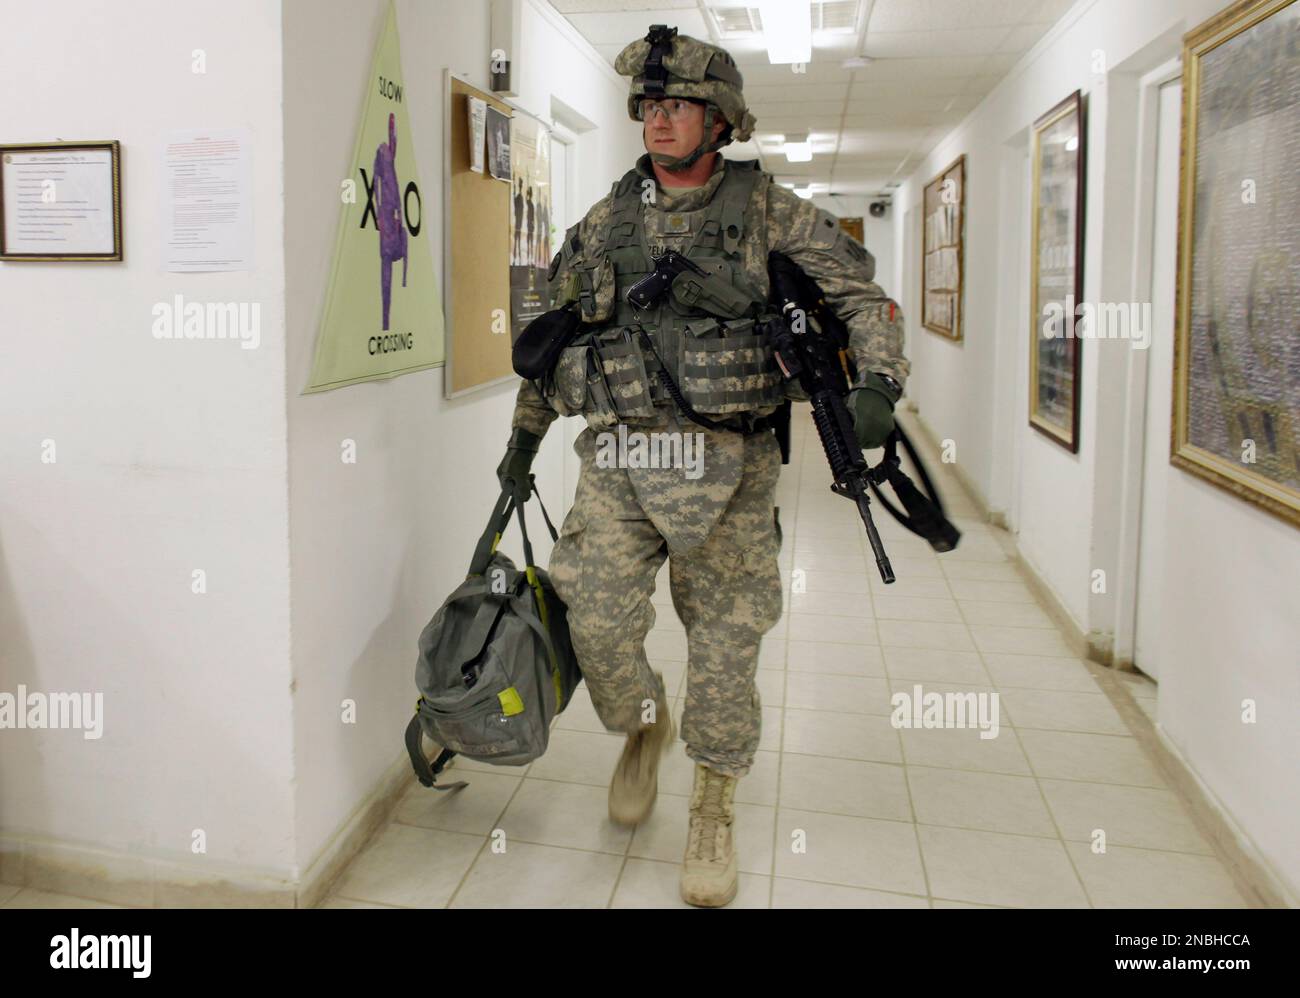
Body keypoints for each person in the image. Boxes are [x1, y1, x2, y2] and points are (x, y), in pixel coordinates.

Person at [495, 25, 909, 907]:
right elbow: (552, 343)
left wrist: (878, 387)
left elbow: (865, 301)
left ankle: (712, 803)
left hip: (732, 463)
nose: (659, 119)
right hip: (620, 456)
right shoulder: (604, 224)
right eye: (650, 105)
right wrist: (523, 443)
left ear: (720, 121)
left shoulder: (772, 214)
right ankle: (643, 726)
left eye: (678, 105)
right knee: (596, 620)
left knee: (724, 646)